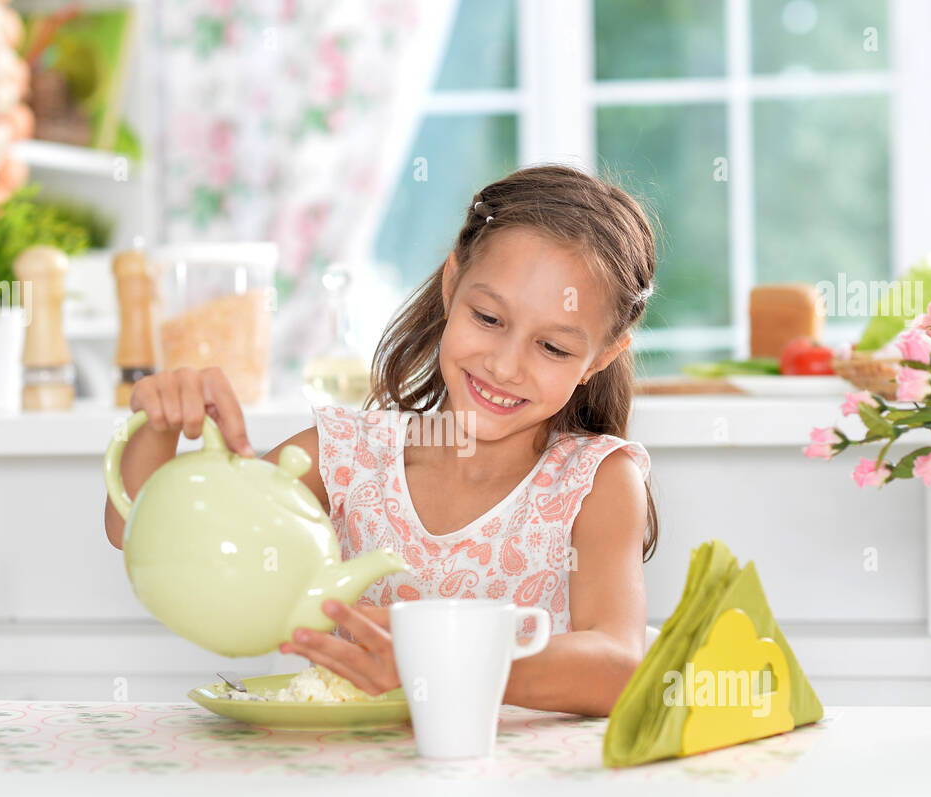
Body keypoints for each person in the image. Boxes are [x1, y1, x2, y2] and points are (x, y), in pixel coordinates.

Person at [105, 163, 659, 717]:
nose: (505, 364)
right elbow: (145, 533)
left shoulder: (595, 483)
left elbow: (616, 668)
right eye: (488, 318)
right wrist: (159, 423)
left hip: (516, 789)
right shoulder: (349, 457)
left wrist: (441, 663)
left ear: (602, 357)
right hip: (343, 784)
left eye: (553, 348)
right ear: (451, 285)